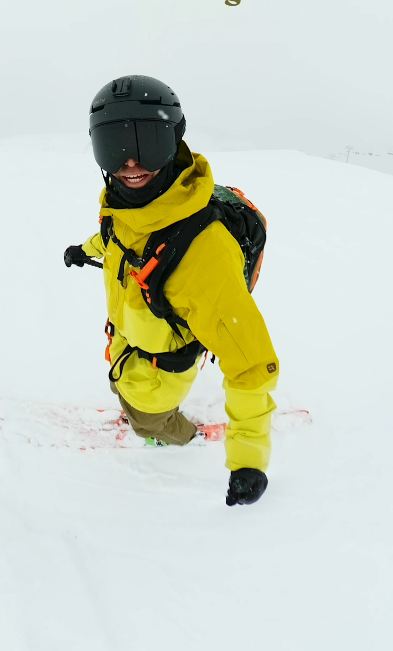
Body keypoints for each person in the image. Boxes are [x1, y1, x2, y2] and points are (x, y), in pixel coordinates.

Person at [64, 75, 279, 507]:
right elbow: (115, 239)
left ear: (174, 139)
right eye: (114, 145)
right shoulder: (124, 207)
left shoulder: (204, 250)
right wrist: (84, 250)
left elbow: (251, 363)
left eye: (146, 142)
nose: (130, 162)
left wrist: (248, 461)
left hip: (161, 372)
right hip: (126, 343)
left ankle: (174, 434)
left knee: (148, 418)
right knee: (124, 390)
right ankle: (140, 408)